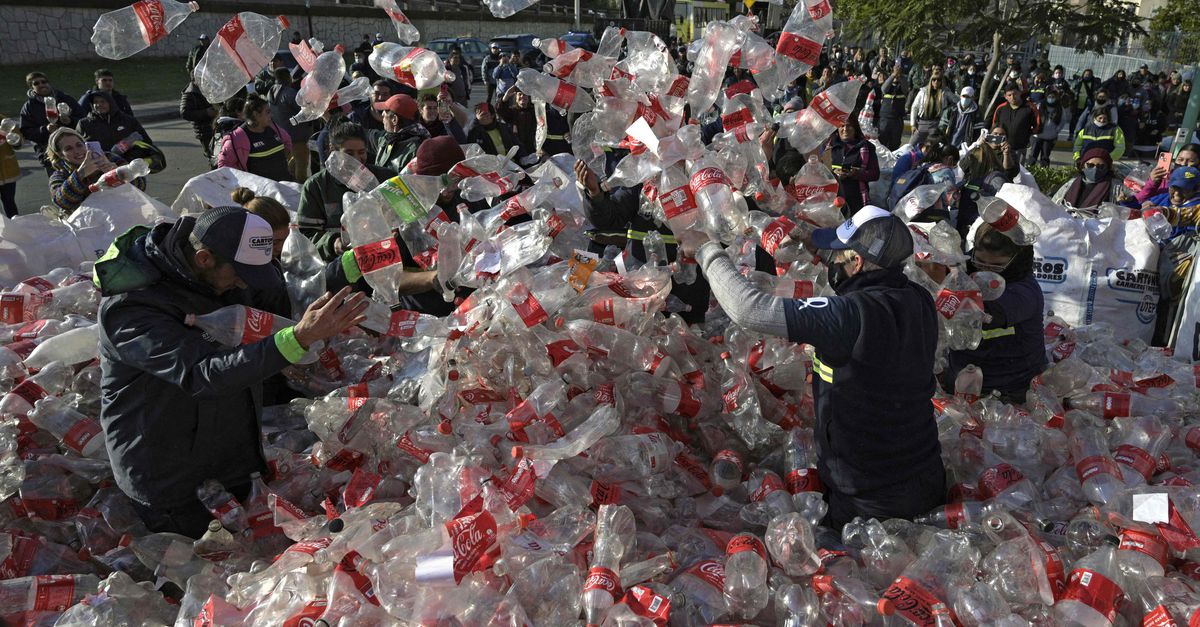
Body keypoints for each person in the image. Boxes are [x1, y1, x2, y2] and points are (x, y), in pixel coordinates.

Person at [95, 206, 368, 538]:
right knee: (203, 573)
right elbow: (202, 374)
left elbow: (289, 296)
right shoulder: (131, 310)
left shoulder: (222, 277)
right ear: (205, 258)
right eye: (238, 274)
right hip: (171, 479)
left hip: (231, 457)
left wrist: (364, 259)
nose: (242, 283)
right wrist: (295, 339)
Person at [691, 206, 943, 528]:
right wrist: (811, 241)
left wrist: (707, 250)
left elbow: (748, 309)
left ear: (856, 262)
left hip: (870, 500)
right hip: (924, 475)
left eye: (839, 255)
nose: (832, 261)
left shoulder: (850, 314)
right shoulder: (917, 299)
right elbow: (859, 271)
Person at [948, 224, 1045, 402]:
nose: (986, 272)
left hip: (1011, 388)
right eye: (981, 262)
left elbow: (984, 313)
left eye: (997, 266)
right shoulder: (966, 271)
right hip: (963, 378)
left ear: (1016, 260)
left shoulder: (1024, 292)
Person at [297, 123, 395, 261]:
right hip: (341, 264)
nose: (356, 159)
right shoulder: (316, 186)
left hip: (385, 257)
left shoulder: (385, 179)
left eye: (361, 152)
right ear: (333, 150)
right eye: (349, 153)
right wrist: (333, 243)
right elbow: (305, 235)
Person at [45, 127, 146, 217]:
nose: (77, 151)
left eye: (79, 145)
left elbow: (141, 185)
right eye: (68, 149)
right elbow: (61, 202)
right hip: (88, 228)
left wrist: (120, 173)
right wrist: (80, 174)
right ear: (60, 155)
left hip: (122, 215)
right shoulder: (60, 175)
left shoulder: (108, 157)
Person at [19, 72, 86, 173]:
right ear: (31, 87)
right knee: (59, 186)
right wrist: (45, 130)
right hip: (50, 155)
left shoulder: (65, 98)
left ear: (49, 83)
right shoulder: (29, 107)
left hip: (76, 152)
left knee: (83, 183)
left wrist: (70, 121)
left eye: (43, 81)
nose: (41, 84)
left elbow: (84, 119)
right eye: (36, 83)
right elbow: (26, 132)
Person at [216, 95, 294, 182]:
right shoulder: (237, 137)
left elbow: (287, 141)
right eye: (267, 112)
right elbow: (224, 166)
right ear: (256, 114)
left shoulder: (273, 127)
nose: (271, 115)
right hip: (260, 193)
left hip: (285, 185)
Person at [267, 68, 314, 181]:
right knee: (302, 165)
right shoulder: (289, 93)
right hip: (297, 136)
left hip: (282, 136)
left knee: (291, 165)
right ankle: (300, 191)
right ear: (287, 77)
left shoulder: (271, 92)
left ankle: (291, 187)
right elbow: (304, 110)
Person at [829, 118, 879, 215]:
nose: (845, 129)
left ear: (855, 128)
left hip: (856, 200)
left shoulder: (867, 147)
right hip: (833, 199)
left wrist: (855, 174)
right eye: (842, 126)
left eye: (849, 125)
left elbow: (875, 174)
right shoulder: (830, 147)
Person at [367, 94, 429, 172]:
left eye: (385, 111)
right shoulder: (388, 138)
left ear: (394, 119)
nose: (382, 114)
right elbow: (367, 135)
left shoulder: (418, 151)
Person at [79, 91, 151, 154]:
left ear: (111, 103)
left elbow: (147, 142)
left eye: (102, 101)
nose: (98, 105)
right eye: (95, 102)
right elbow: (78, 146)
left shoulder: (128, 120)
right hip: (100, 166)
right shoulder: (84, 124)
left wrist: (134, 156)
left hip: (127, 164)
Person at [1054, 147, 1120, 210]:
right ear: (1083, 166)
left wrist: (1125, 202)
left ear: (1107, 168)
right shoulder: (1071, 183)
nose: (1095, 169)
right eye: (1090, 165)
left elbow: (1124, 210)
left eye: (1100, 166)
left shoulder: (1116, 187)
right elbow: (1053, 204)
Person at [1135, 143, 1200, 205]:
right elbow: (1139, 202)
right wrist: (1152, 183)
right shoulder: (1164, 176)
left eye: (1191, 161)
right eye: (1180, 159)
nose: (1183, 164)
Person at [990, 87, 1040, 161]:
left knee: (1017, 170)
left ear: (1020, 93)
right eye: (1009, 95)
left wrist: (1025, 134)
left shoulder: (1030, 107)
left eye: (1015, 94)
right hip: (1001, 147)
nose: (1012, 97)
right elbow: (995, 125)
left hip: (1020, 147)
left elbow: (1037, 126)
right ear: (1005, 97)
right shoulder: (1001, 108)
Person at [909, 74, 953, 147]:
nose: (936, 82)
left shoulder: (945, 92)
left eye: (939, 80)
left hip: (935, 124)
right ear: (931, 81)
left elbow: (957, 101)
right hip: (921, 123)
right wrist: (913, 124)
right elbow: (915, 107)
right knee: (910, 146)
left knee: (932, 148)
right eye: (934, 79)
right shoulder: (923, 92)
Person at [497, 86, 538, 163]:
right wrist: (507, 95)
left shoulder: (535, 111)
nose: (522, 96)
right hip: (518, 152)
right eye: (520, 94)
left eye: (525, 94)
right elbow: (500, 109)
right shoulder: (512, 112)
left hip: (534, 150)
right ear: (515, 98)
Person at [179, 81, 217, 160]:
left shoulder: (213, 86)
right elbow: (185, 113)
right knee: (214, 159)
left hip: (219, 128)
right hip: (205, 132)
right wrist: (206, 112)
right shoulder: (190, 92)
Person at [1028, 88, 1064, 167]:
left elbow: (1063, 121)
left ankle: (1044, 173)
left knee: (1045, 156)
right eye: (1049, 96)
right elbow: (1032, 116)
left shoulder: (1059, 108)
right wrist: (1032, 128)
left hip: (1050, 136)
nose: (1051, 98)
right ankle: (1029, 171)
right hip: (1037, 135)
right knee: (1033, 155)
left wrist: (1057, 130)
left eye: (1053, 97)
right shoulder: (1039, 105)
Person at [877, 63, 909, 151]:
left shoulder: (903, 83)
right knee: (882, 143)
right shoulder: (887, 82)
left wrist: (900, 76)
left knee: (895, 144)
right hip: (885, 119)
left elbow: (906, 89)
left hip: (897, 120)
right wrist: (893, 75)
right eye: (895, 69)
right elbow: (884, 89)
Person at [0, 119, 21, 218]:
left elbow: (19, 141)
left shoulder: (6, 122)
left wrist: (16, 141)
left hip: (8, 173)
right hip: (7, 171)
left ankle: (16, 228)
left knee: (10, 203)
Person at [1072, 68, 1099, 136]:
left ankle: (1079, 134)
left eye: (1089, 74)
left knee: (1082, 120)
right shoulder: (1080, 81)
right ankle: (1071, 134)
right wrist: (1077, 82)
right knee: (1074, 120)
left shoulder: (1093, 83)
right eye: (1086, 74)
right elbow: (1072, 88)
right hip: (1077, 103)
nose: (1087, 76)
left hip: (1087, 105)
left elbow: (1095, 92)